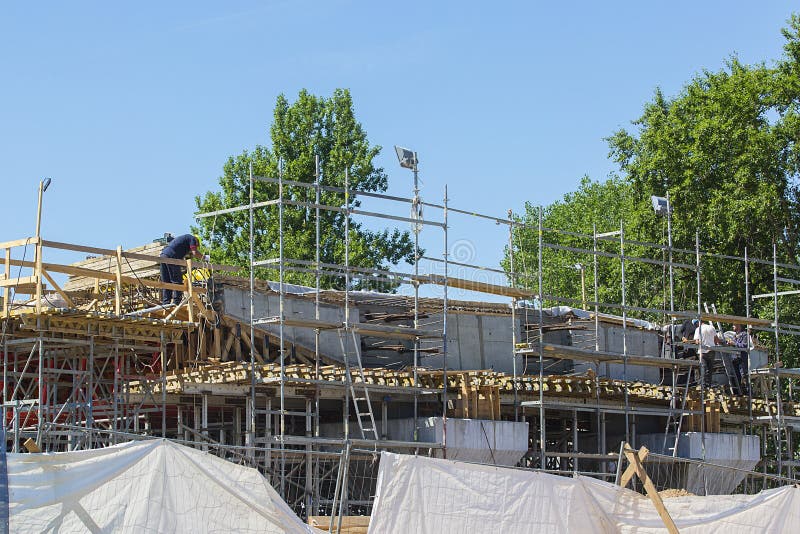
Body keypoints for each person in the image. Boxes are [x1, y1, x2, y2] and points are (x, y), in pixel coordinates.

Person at [160, 234, 203, 306]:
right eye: (197, 246)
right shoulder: (192, 238)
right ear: (197, 241)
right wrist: (205, 257)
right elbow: (195, 253)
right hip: (172, 257)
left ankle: (166, 303)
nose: (196, 247)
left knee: (166, 282)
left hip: (163, 255)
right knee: (177, 281)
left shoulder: (184, 241)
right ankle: (176, 303)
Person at [694, 320, 722, 387]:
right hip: (711, 350)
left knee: (703, 368)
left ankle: (703, 385)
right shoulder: (711, 327)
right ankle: (708, 384)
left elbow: (697, 341)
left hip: (702, 351)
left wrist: (701, 343)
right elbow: (716, 340)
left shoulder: (698, 329)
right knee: (710, 369)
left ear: (698, 323)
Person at [730, 323, 751, 395]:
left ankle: (747, 393)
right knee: (735, 376)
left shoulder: (745, 335)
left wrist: (734, 343)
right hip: (734, 358)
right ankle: (737, 393)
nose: (732, 326)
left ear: (738, 326)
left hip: (741, 358)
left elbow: (745, 346)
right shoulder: (734, 336)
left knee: (744, 376)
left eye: (734, 325)